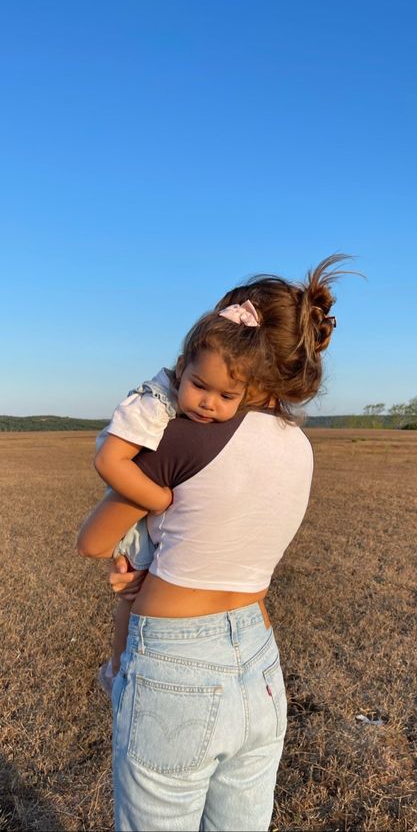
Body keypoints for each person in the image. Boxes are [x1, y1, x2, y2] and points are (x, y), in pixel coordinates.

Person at [76, 255, 344, 832]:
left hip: (178, 668)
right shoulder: (301, 449)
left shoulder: (184, 435)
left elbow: (94, 542)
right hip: (261, 662)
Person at [92, 299, 262, 695]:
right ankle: (118, 670)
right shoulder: (153, 404)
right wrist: (159, 498)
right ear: (181, 367)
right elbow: (108, 460)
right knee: (135, 591)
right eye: (200, 386)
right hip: (132, 497)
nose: (209, 404)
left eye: (226, 397)